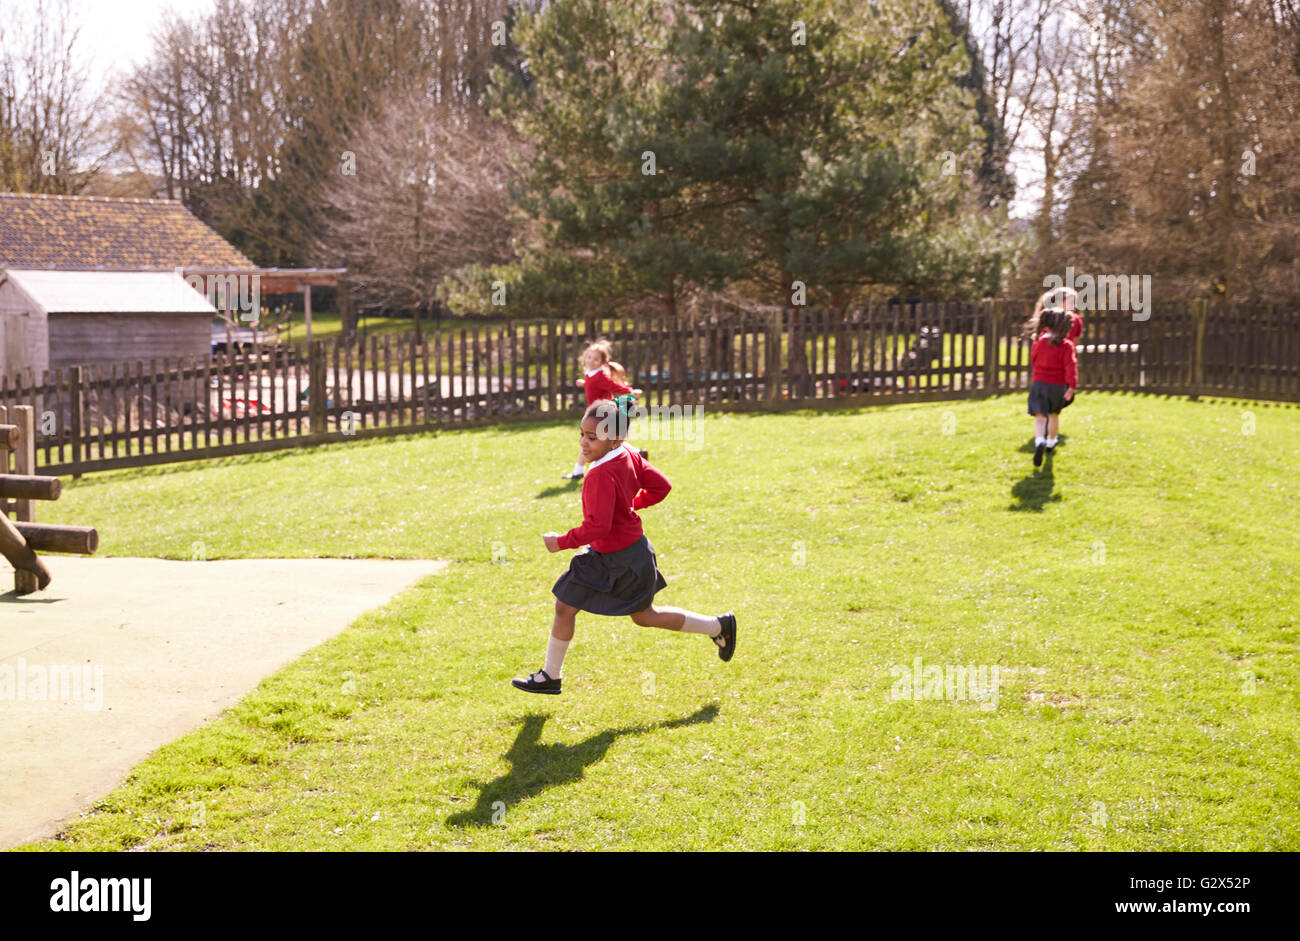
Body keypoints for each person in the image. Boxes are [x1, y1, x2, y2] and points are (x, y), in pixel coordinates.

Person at [515, 399, 737, 694]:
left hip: (626, 559)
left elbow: (598, 526)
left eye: (592, 438)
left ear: (615, 438)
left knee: (645, 617)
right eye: (582, 433)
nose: (583, 443)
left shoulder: (598, 474)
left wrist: (561, 542)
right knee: (564, 606)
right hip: (607, 555)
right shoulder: (628, 453)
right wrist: (631, 505)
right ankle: (550, 676)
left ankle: (717, 626)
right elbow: (661, 486)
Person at [1023, 297, 1080, 467]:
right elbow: (1071, 367)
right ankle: (1051, 441)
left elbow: (1033, 361)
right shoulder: (1067, 346)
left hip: (1039, 384)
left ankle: (1039, 440)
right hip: (1057, 387)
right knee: (1054, 415)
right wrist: (1071, 387)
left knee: (1040, 418)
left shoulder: (1038, 343)